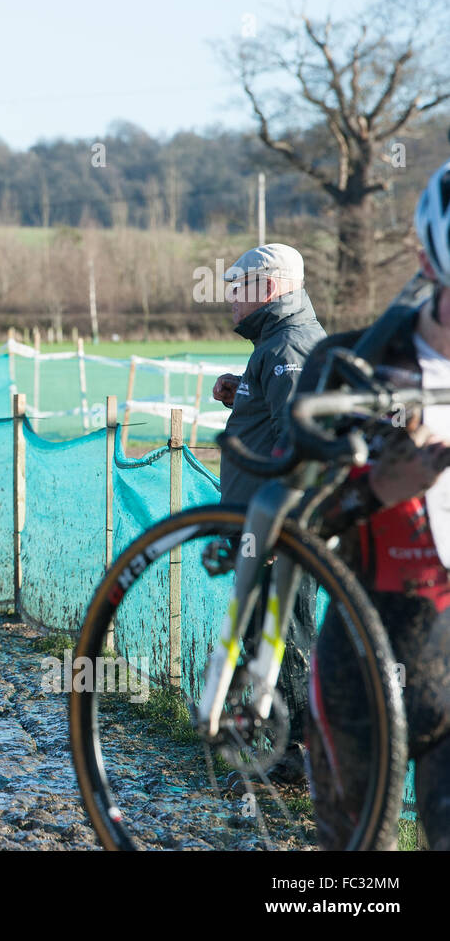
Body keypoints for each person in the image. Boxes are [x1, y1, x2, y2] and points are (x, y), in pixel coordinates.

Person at [297, 159, 450, 851]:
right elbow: (288, 525)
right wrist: (380, 488)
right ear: (426, 262)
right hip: (361, 662)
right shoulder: (353, 364)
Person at [210, 242, 326, 773]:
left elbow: (298, 444)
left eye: (239, 287)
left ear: (271, 289)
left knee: (286, 638)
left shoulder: (288, 347)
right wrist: (243, 392)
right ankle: (284, 755)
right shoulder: (277, 345)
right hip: (262, 524)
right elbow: (281, 414)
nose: (231, 297)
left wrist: (283, 526)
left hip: (277, 530)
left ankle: (295, 760)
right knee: (266, 636)